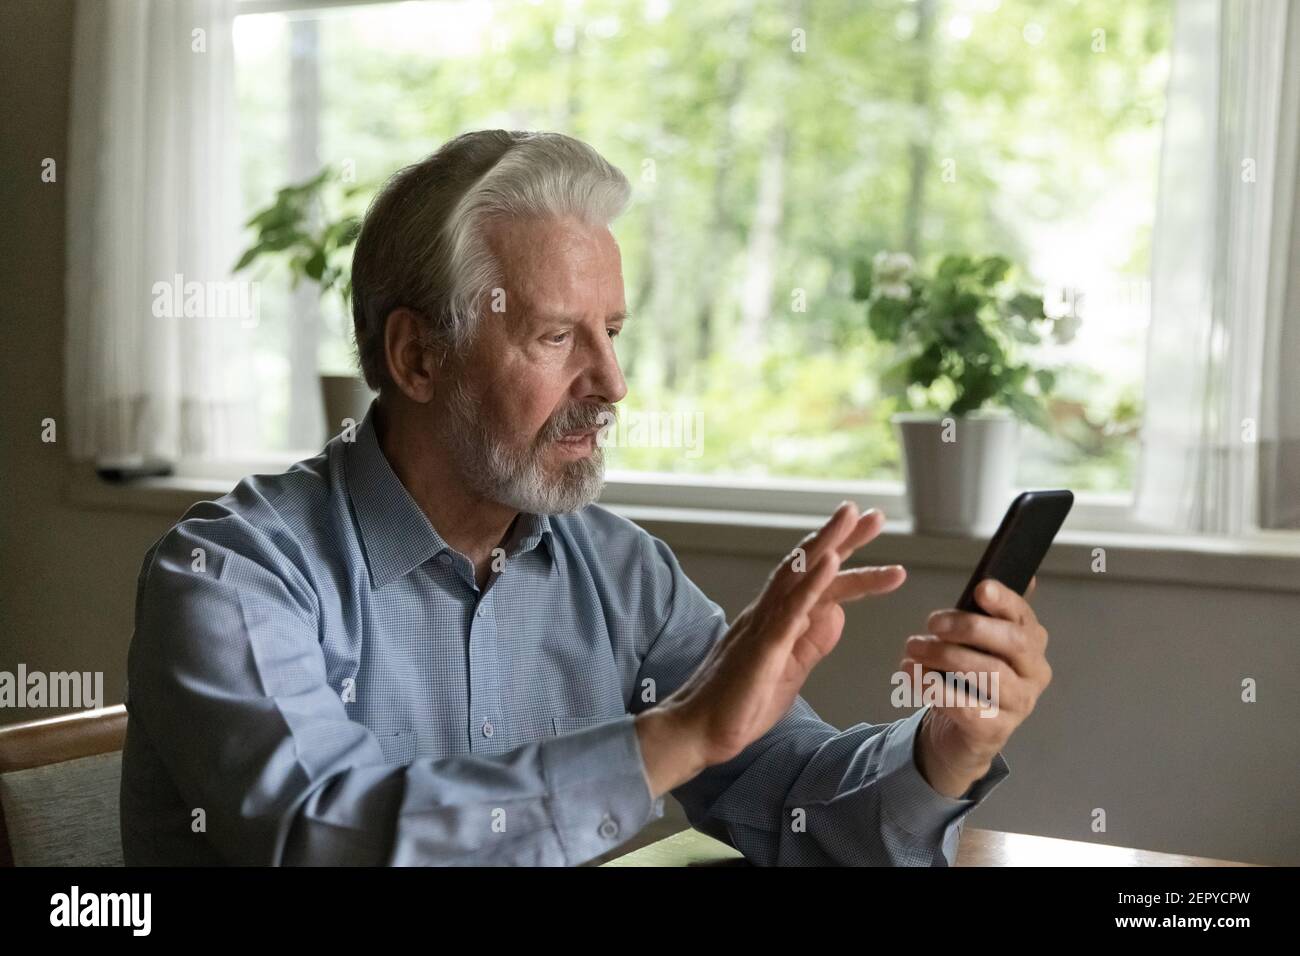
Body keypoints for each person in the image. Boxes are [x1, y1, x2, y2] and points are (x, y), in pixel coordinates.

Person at [120, 130, 1051, 866]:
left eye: (611, 329)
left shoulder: (618, 571)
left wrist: (945, 749)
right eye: (557, 336)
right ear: (417, 356)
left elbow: (796, 805)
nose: (611, 382)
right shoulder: (234, 574)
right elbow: (318, 835)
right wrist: (673, 736)